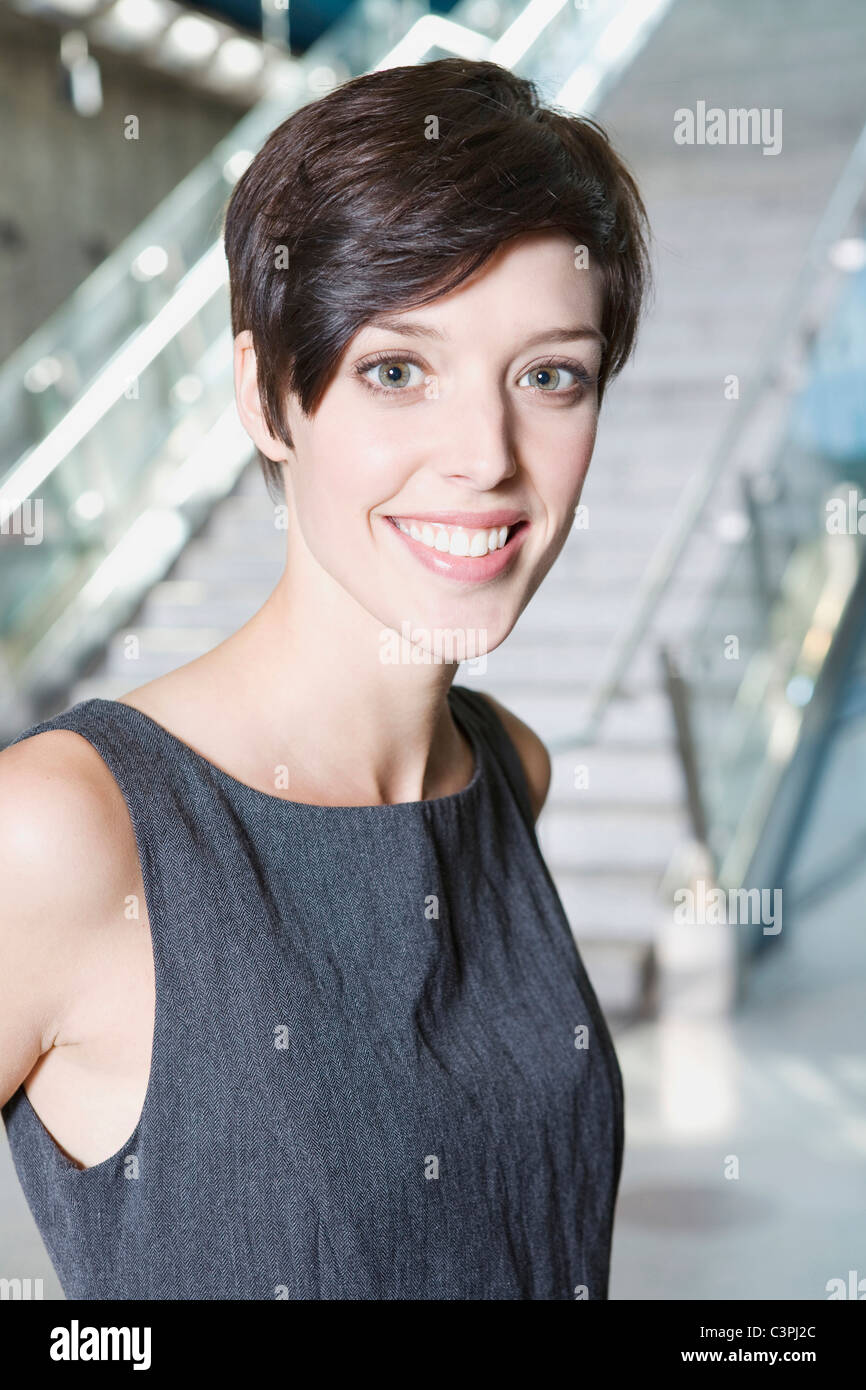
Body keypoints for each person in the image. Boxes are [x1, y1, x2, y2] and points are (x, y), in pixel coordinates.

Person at [0, 56, 651, 1300]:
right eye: (395, 370)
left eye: (548, 375)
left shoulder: (507, 772)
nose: (485, 460)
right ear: (264, 397)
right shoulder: (67, 831)